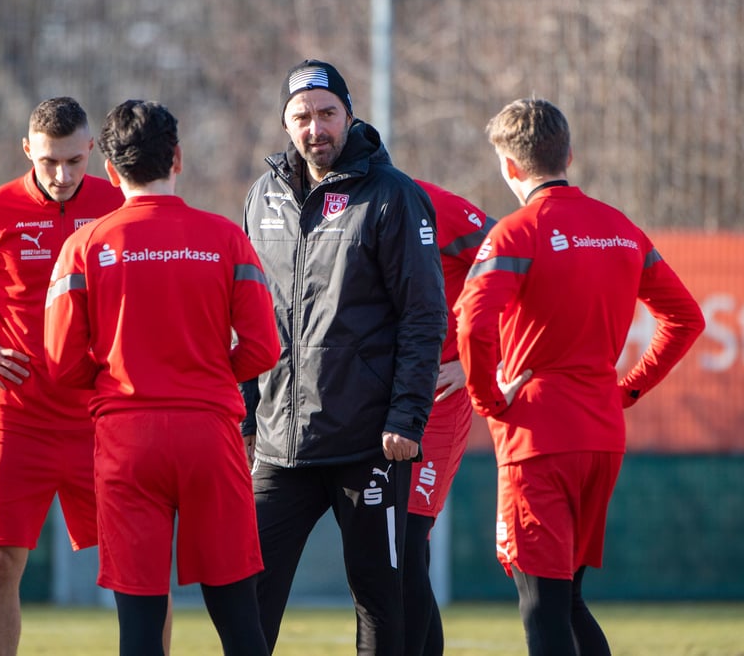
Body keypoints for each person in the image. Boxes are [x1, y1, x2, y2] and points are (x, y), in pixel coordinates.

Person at [455, 97, 705, 656]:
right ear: (569, 153)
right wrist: (627, 389)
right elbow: (687, 318)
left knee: (542, 605)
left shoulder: (518, 232)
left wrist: (489, 400)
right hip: (601, 432)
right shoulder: (620, 229)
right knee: (565, 600)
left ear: (509, 167)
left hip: (538, 436)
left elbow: (472, 322)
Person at [44, 99, 280, 655]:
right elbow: (265, 348)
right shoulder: (225, 238)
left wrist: (117, 380)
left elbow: (61, 364)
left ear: (109, 169)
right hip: (210, 435)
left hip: (128, 443)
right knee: (240, 620)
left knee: (141, 628)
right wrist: (208, 374)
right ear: (177, 157)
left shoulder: (83, 247)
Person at [241, 59, 448, 654]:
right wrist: (249, 412)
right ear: (286, 124)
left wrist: (407, 418)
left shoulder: (393, 196)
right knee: (246, 592)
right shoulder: (263, 197)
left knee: (381, 603)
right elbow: (250, 313)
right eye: (301, 117)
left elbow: (423, 316)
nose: (315, 129)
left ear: (349, 114)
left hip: (370, 442)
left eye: (327, 113)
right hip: (280, 443)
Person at [0, 97, 127, 656]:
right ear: (28, 150)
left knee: (136, 569)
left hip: (101, 423)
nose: (63, 175)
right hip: (15, 423)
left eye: (74, 161)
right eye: (49, 161)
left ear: (92, 151)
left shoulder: (118, 205)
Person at [403, 180, 494, 656]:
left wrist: (472, 356)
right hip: (375, 405)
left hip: (438, 399)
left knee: (409, 543)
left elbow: (515, 264)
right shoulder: (335, 210)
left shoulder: (429, 203)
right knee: (389, 556)